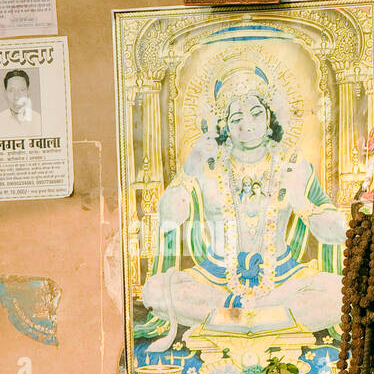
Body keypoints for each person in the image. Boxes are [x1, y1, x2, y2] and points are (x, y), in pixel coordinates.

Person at [139, 65, 344, 350]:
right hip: (217, 282)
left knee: (341, 293)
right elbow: (169, 218)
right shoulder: (207, 168)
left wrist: (304, 204)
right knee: (156, 291)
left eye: (256, 113)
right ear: (223, 125)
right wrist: (189, 167)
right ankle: (265, 320)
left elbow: (337, 234)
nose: (246, 124)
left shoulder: (293, 166)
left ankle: (234, 321)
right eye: (236, 117)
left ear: (269, 118)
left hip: (282, 280)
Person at [0, 70, 41, 138]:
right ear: (5, 93)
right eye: (11, 90)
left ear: (28, 92)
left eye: (22, 90)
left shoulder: (39, 119)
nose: (16, 97)